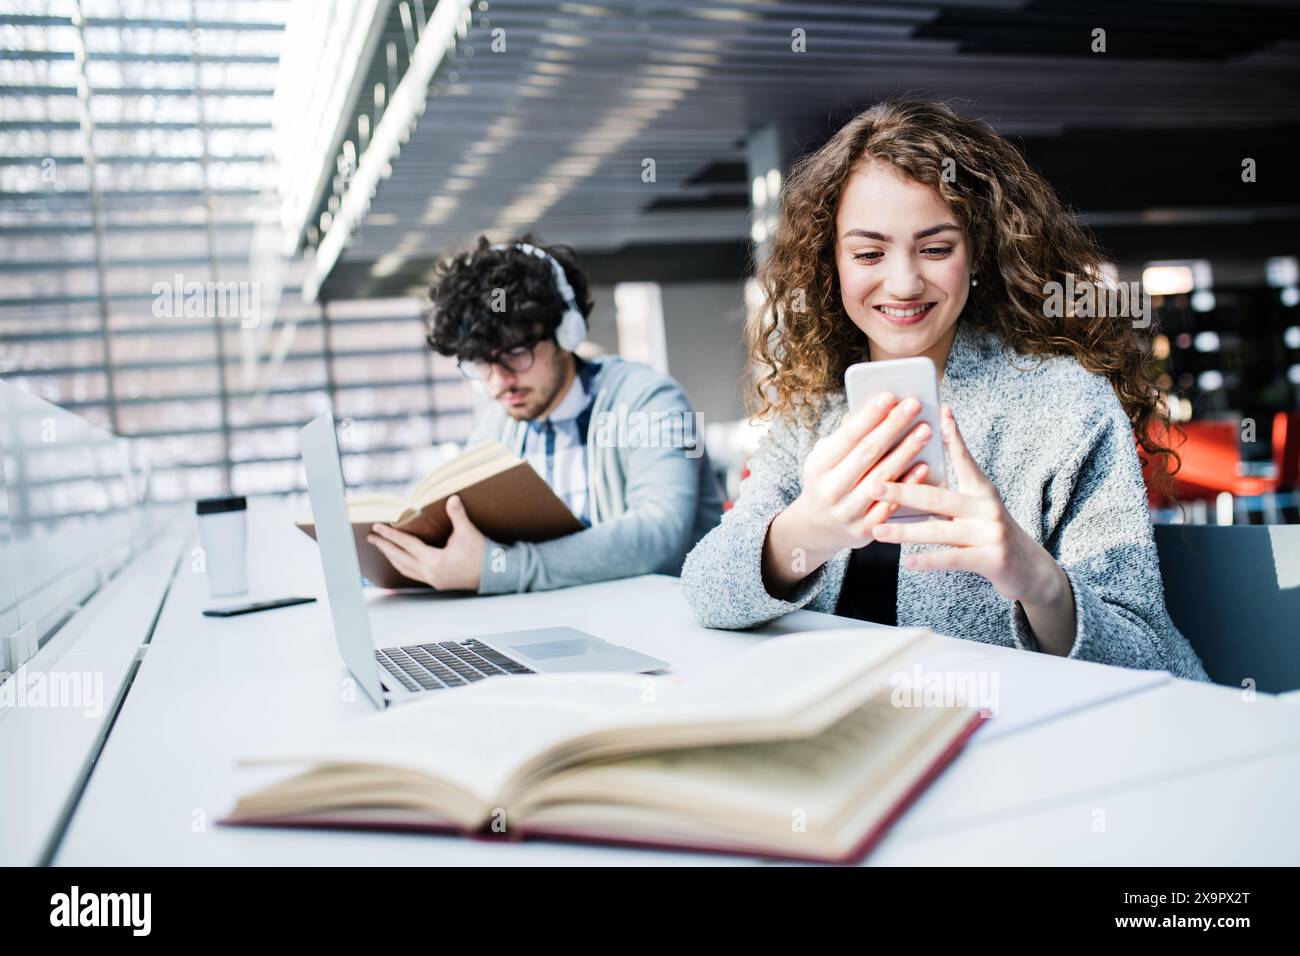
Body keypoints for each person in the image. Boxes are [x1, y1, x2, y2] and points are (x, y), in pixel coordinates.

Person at [681, 98, 1209, 680]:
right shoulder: (814, 406)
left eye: (935, 248)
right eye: (868, 252)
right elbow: (708, 592)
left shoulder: (1067, 403)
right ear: (831, 261)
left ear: (977, 251)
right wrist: (808, 529)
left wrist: (1039, 581)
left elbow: (1148, 653)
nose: (904, 283)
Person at [368, 235, 723, 594]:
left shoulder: (650, 399)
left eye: (515, 353)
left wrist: (501, 569)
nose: (500, 382)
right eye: (480, 363)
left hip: (664, 630)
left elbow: (659, 535)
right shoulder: (499, 426)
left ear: (566, 331)